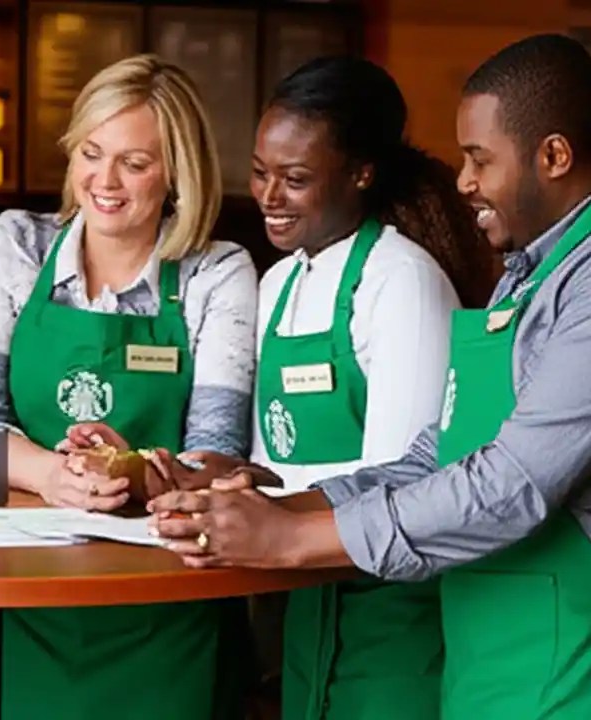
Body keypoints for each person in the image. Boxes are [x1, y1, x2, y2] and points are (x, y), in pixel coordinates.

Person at [152, 33, 591, 720]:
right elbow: (441, 454)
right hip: (493, 649)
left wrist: (292, 541)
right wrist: (279, 505)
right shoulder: (526, 278)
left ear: (552, 156)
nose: (462, 180)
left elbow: (513, 483)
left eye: (478, 159)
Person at [71, 55, 495, 720]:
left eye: (295, 179)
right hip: (303, 608)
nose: (269, 196)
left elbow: (405, 481)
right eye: (262, 172)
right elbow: (276, 465)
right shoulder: (280, 282)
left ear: (361, 173)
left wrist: (261, 495)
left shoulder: (401, 283)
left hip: (389, 621)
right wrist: (192, 474)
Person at [0, 54, 258, 719]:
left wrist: (131, 472)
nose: (105, 181)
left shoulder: (217, 273)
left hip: (169, 598)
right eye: (92, 153)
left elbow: (216, 450)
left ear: (177, 172)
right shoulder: (14, 247)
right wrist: (54, 475)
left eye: (135, 163)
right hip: (19, 594)